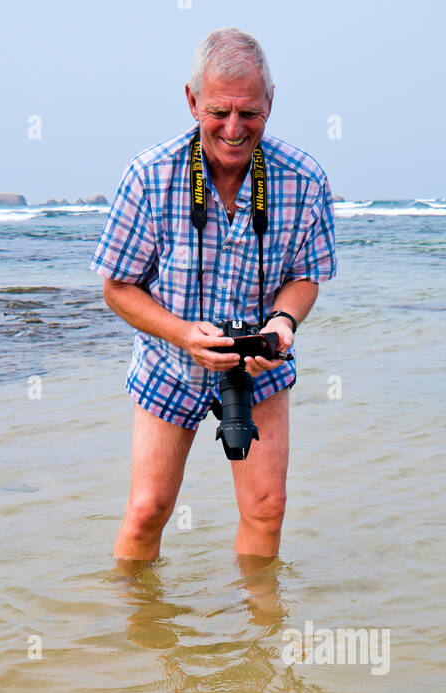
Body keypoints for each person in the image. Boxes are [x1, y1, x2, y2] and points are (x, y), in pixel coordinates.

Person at [90, 27, 337, 563]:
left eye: (249, 113)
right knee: (148, 511)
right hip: (169, 363)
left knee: (268, 509)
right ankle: (137, 640)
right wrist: (183, 334)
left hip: (259, 367)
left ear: (270, 102)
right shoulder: (150, 175)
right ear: (191, 99)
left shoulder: (304, 178)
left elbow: (307, 274)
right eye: (219, 110)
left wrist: (283, 323)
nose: (233, 128)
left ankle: (260, 644)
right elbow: (116, 286)